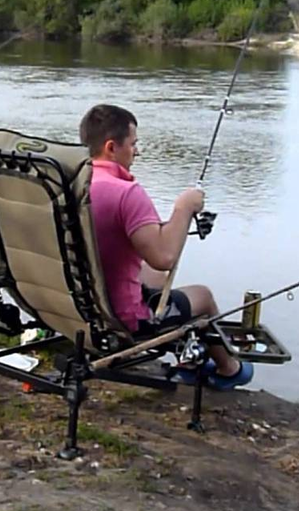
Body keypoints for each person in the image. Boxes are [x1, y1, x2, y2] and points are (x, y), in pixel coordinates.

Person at [80, 104, 253, 390]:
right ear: (112, 147)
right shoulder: (126, 193)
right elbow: (164, 257)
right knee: (203, 297)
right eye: (133, 144)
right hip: (120, 317)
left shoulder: (76, 182)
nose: (137, 151)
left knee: (155, 278)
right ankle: (228, 369)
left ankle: (188, 357)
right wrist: (183, 209)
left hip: (83, 301)